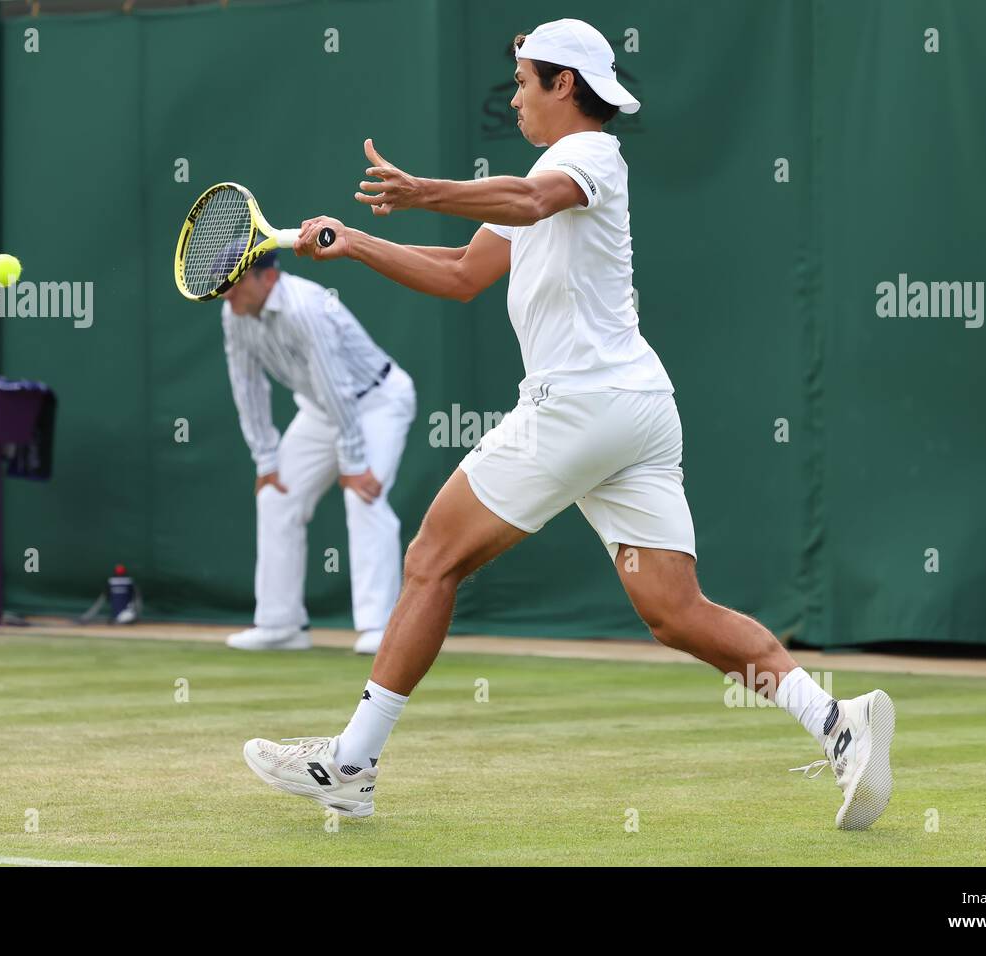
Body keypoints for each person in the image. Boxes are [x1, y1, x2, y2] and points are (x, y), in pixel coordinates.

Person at [242, 19, 895, 829]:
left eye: (523, 81)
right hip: (637, 412)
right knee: (674, 611)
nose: (514, 96)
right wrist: (356, 242)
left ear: (563, 85)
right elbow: (458, 274)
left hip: (581, 403)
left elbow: (528, 197)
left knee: (431, 557)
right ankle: (838, 723)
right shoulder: (543, 177)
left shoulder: (583, 159)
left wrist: (422, 191)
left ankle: (350, 763)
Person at [218, 244, 416, 655]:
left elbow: (337, 387)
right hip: (319, 410)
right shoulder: (234, 315)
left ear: (268, 278)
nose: (226, 292)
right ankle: (280, 624)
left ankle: (380, 627)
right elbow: (247, 385)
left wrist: (354, 461)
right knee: (275, 497)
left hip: (377, 401)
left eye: (235, 283)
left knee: (364, 497)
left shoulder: (306, 309)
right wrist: (265, 458)